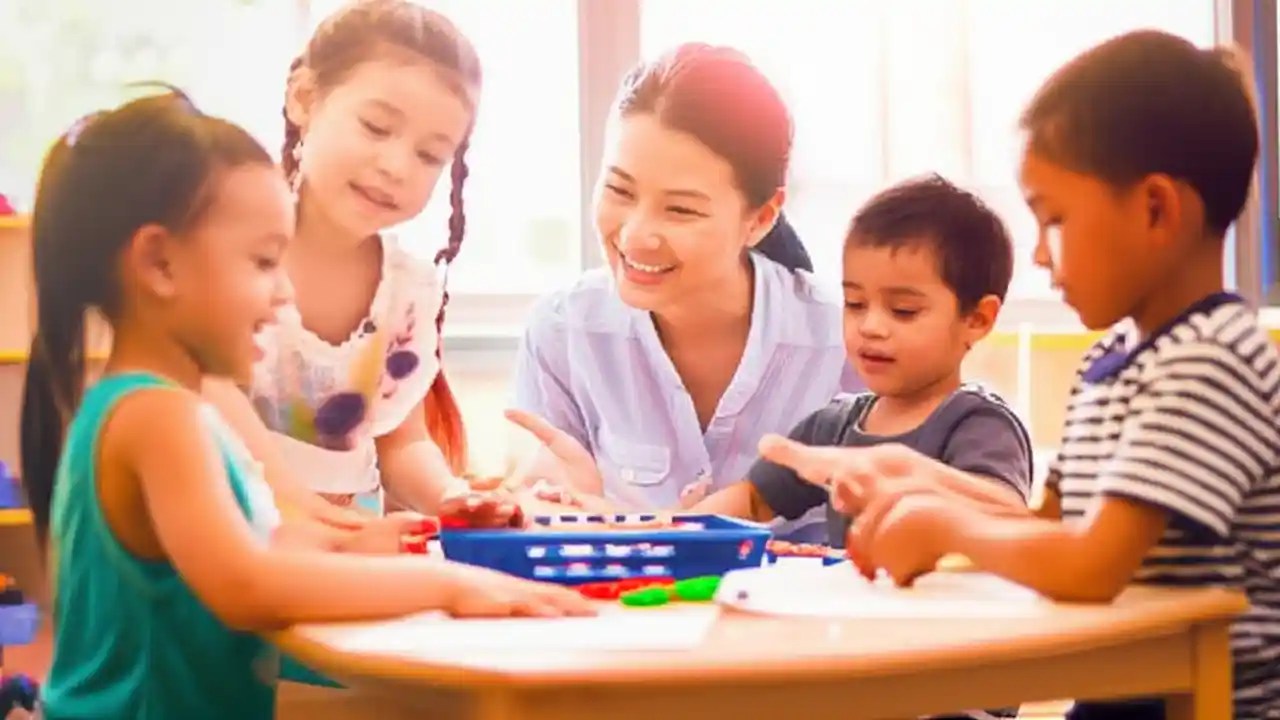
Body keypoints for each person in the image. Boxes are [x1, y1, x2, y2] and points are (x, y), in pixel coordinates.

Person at [17, 91, 591, 720]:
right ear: (159, 263)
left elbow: (228, 554)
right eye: (264, 262)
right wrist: (450, 585)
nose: (283, 292)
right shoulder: (158, 417)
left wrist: (353, 546)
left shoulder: (143, 408)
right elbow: (245, 587)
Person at [760, 30, 1275, 720]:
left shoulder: (1212, 360)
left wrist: (943, 524)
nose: (1038, 252)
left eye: (1054, 220)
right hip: (1119, 698)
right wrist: (920, 482)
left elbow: (1092, 564)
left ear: (1156, 209)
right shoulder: (1113, 363)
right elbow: (1046, 530)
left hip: (1203, 703)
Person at [506, 43, 858, 541]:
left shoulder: (848, 339)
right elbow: (542, 499)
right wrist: (553, 506)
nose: (634, 236)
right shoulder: (565, 330)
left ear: (760, 218)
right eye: (620, 192)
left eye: (681, 210)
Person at [201, 0, 509, 527]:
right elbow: (209, 402)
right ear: (304, 98)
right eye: (375, 127)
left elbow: (401, 442)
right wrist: (313, 518)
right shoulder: (224, 249)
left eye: (429, 155)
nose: (395, 166)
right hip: (235, 537)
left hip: (350, 553)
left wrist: (451, 498)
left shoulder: (409, 292)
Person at [691, 175, 1033, 554]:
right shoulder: (833, 426)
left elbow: (1004, 519)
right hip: (856, 611)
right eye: (855, 304)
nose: (870, 327)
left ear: (977, 319)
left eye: (903, 311)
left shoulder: (978, 425)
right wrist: (685, 529)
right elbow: (753, 501)